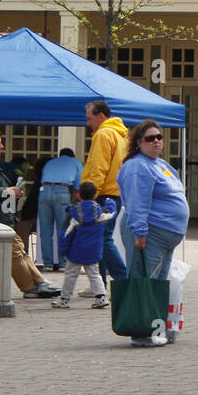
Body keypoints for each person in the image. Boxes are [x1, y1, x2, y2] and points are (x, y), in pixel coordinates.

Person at [117, 120, 189, 347]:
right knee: (144, 282)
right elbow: (138, 202)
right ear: (138, 143)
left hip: (166, 236)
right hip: (151, 233)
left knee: (157, 284)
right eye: (150, 138)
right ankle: (141, 332)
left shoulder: (161, 164)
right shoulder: (138, 166)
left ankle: (156, 328)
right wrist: (139, 233)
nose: (156, 141)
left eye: (159, 137)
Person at [0, 127, 60, 299]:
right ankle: (30, 286)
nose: (2, 146)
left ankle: (39, 282)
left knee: (19, 248)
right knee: (15, 252)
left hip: (1, 216)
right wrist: (7, 191)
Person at [81, 100, 128, 288]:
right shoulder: (121, 135)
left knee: (102, 238)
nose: (87, 123)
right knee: (100, 238)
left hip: (102, 194)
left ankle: (123, 280)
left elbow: (99, 166)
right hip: (115, 194)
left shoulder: (103, 134)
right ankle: (99, 284)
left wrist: (91, 192)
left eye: (89, 118)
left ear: (101, 116)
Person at [51, 181, 113, 309]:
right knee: (94, 273)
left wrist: (63, 250)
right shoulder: (100, 213)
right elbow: (111, 214)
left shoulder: (73, 214)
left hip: (76, 251)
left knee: (70, 274)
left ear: (79, 195)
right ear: (95, 195)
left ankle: (65, 299)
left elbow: (65, 234)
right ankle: (101, 297)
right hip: (93, 251)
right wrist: (110, 203)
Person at [37, 146, 83, 270]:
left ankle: (47, 264)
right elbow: (77, 189)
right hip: (62, 191)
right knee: (63, 230)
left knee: (45, 231)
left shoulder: (50, 162)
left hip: (43, 191)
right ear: (72, 156)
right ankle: (63, 263)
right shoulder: (76, 163)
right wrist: (71, 202)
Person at [17, 154, 50, 254]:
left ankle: (23, 255)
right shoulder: (47, 184)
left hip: (29, 218)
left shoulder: (38, 184)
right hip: (40, 218)